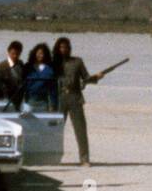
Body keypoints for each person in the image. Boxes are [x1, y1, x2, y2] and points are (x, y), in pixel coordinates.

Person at [52, 36, 100, 166]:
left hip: (75, 97)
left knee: (80, 130)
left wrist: (96, 78)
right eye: (61, 47)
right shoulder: (52, 63)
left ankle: (84, 159)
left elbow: (86, 78)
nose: (64, 50)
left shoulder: (77, 62)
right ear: (57, 48)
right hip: (59, 98)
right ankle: (52, 158)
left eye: (66, 47)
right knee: (55, 130)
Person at [22, 43, 57, 112]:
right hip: (29, 100)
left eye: (41, 53)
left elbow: (53, 89)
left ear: (45, 55)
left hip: (43, 101)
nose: (39, 55)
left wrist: (53, 104)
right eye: (38, 53)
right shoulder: (28, 67)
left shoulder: (49, 69)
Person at [0, 41, 24, 109]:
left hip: (19, 100)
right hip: (6, 100)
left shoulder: (21, 65)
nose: (15, 56)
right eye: (13, 53)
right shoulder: (1, 66)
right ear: (8, 52)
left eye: (17, 54)